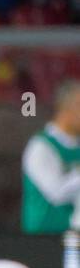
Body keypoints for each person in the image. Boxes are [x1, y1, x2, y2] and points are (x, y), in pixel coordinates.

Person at [21, 78, 80, 234]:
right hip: (44, 241)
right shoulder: (41, 146)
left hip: (73, 238)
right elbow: (57, 192)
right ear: (65, 108)